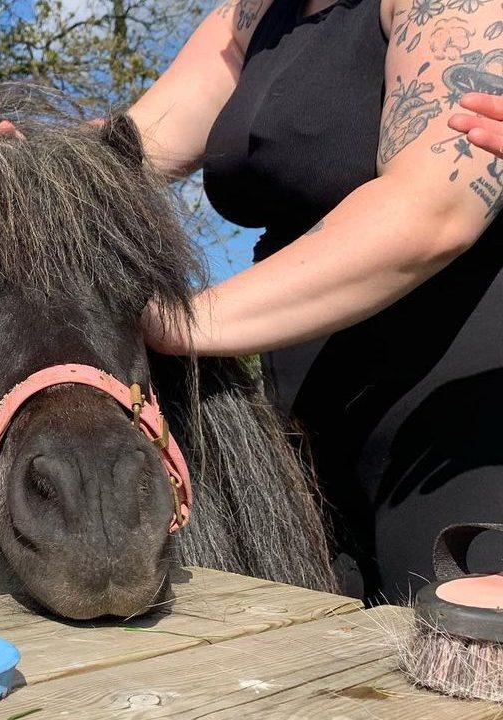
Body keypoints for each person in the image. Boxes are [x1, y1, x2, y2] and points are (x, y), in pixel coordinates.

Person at [125, 0, 503, 603]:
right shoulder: (250, 19)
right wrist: (27, 167)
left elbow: (432, 211)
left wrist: (183, 322)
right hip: (302, 441)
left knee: (464, 654)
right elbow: (129, 147)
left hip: (453, 428)